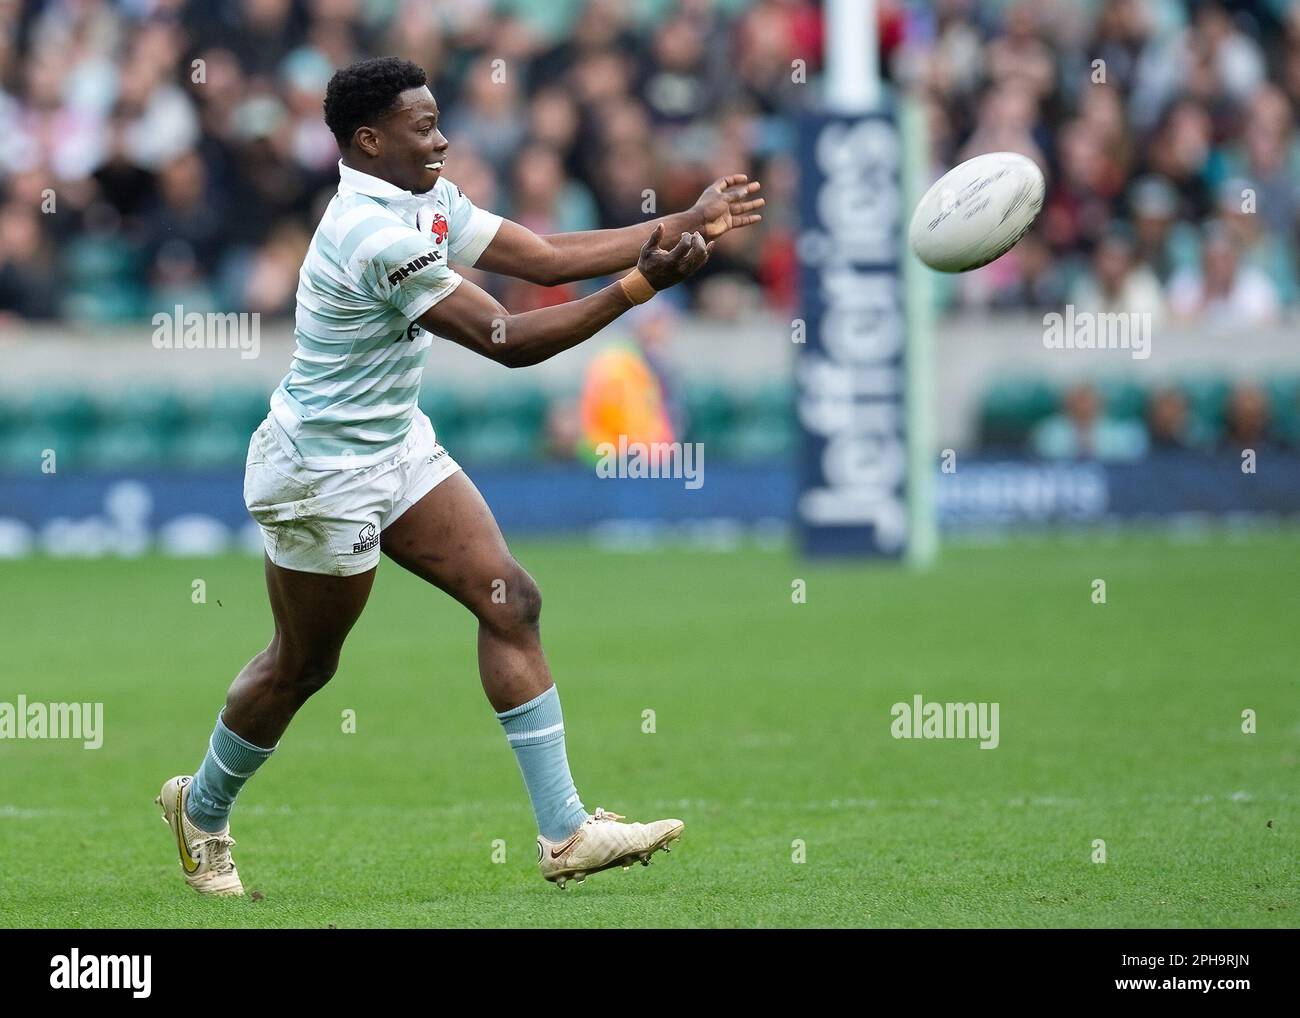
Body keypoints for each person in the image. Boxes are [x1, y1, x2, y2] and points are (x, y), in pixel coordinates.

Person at [156, 57, 763, 894]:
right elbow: (507, 340)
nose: (443, 139)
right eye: (423, 127)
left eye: (439, 121)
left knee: (510, 596)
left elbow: (546, 257)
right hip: (321, 471)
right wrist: (636, 287)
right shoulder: (369, 233)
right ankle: (202, 807)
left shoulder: (424, 196)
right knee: (305, 665)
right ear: (370, 141)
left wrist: (684, 220)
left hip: (396, 446)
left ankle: (566, 834)